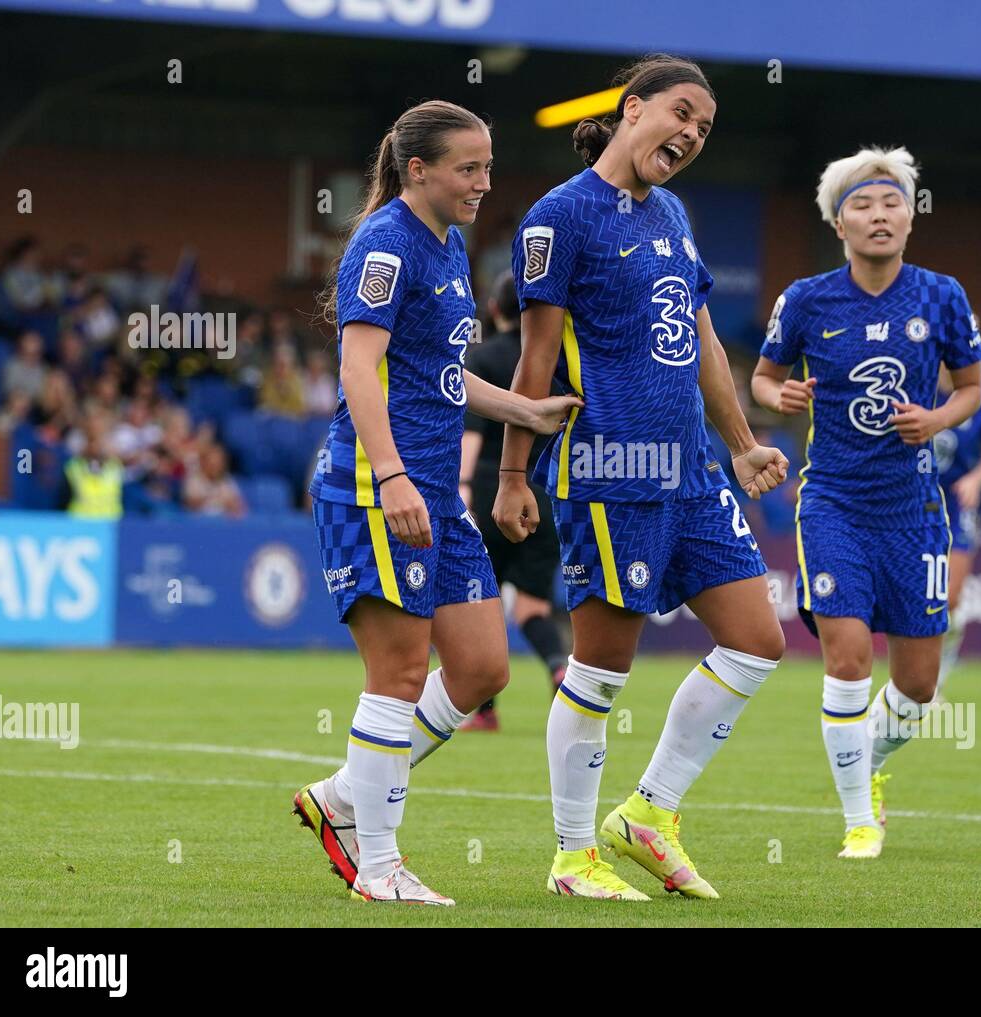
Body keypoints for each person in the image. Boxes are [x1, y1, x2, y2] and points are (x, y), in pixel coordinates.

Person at [496, 55, 789, 901]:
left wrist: (739, 443)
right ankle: (572, 854)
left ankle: (649, 813)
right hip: (609, 465)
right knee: (602, 666)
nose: (693, 133)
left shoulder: (671, 213)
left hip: (694, 470)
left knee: (758, 640)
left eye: (706, 126)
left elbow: (700, 340)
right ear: (632, 110)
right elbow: (537, 359)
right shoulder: (560, 217)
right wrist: (515, 473)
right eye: (682, 113)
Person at [292, 100, 580, 906]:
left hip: (432, 497)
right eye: (468, 168)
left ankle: (344, 795)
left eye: (488, 167)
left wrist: (523, 410)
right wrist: (390, 476)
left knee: (484, 667)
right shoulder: (385, 242)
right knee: (399, 671)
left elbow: (443, 374)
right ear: (417, 169)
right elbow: (358, 369)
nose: (484, 183)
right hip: (375, 486)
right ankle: (378, 865)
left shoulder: (449, 246)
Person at [750, 146, 981, 860]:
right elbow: (763, 378)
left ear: (910, 217)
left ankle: (870, 768)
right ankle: (859, 820)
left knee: (917, 686)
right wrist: (778, 395)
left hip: (914, 510)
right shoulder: (807, 298)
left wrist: (936, 419)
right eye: (862, 204)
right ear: (838, 221)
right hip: (833, 503)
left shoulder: (941, 294)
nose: (879, 215)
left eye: (891, 203)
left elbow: (971, 390)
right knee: (847, 659)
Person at [458, 271, 567, 732]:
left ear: (495, 311)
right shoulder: (553, 361)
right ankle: (561, 666)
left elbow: (472, 433)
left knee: (478, 602)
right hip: (547, 493)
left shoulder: (479, 359)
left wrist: (462, 486)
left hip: (493, 490)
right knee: (533, 609)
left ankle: (483, 710)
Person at [932, 365, 981, 697]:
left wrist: (975, 480)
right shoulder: (910, 378)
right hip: (910, 497)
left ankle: (936, 680)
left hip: (956, 502)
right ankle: (910, 679)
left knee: (949, 598)